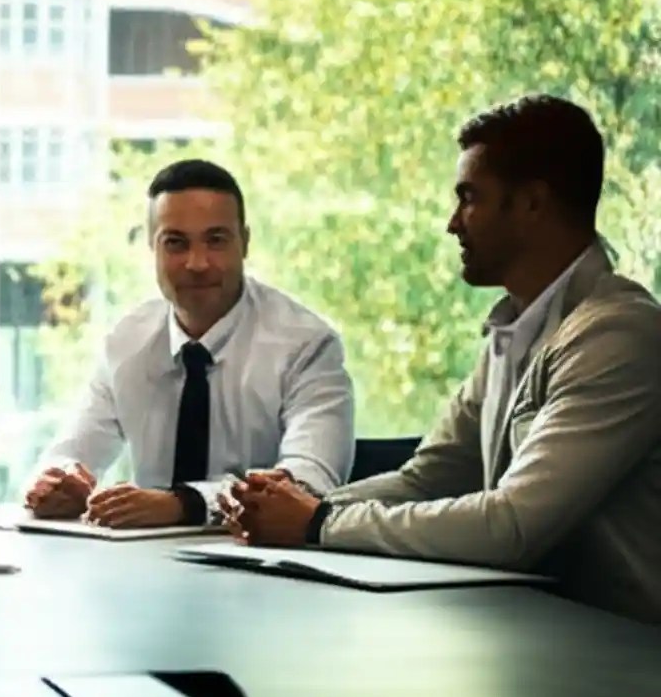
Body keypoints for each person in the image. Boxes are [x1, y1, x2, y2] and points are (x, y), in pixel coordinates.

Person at [225, 94, 661, 624]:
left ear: (531, 204)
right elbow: (427, 479)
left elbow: (514, 524)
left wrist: (317, 523)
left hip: (628, 659)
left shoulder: (618, 332)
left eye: (469, 197)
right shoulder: (515, 329)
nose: (453, 223)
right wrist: (280, 504)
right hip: (542, 638)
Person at [25, 159, 355, 528]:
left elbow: (309, 481)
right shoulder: (126, 342)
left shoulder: (307, 344)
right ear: (152, 248)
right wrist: (61, 483)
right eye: (175, 244)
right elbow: (70, 453)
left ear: (244, 243)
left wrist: (187, 505)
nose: (197, 264)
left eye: (216, 241)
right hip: (146, 566)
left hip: (264, 567)